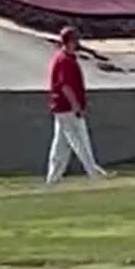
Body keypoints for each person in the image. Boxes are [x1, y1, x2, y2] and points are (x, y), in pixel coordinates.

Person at [46, 27, 109, 184]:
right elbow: (65, 86)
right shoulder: (64, 61)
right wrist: (76, 106)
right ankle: (93, 172)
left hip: (61, 108)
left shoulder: (67, 58)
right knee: (80, 140)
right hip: (67, 108)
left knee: (61, 145)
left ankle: (53, 177)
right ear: (70, 41)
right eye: (76, 39)